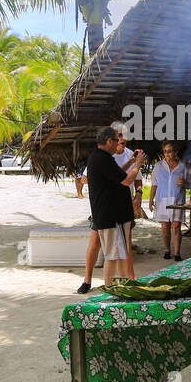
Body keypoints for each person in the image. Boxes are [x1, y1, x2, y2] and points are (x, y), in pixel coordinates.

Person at [78, 120, 144, 293]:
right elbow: (127, 180)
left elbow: (117, 175)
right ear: (109, 141)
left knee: (120, 254)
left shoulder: (101, 157)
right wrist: (137, 165)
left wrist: (130, 163)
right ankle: (109, 288)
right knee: (112, 255)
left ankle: (122, 286)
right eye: (116, 139)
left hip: (114, 215)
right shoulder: (102, 159)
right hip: (110, 215)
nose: (119, 143)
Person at [149, 140, 187, 260]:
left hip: (177, 199)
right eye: (165, 151)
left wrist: (185, 183)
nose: (166, 154)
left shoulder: (183, 166)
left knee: (176, 226)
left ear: (175, 152)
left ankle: (177, 253)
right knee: (165, 226)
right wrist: (150, 200)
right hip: (162, 200)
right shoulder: (159, 166)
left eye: (169, 151)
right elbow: (154, 184)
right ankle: (167, 250)